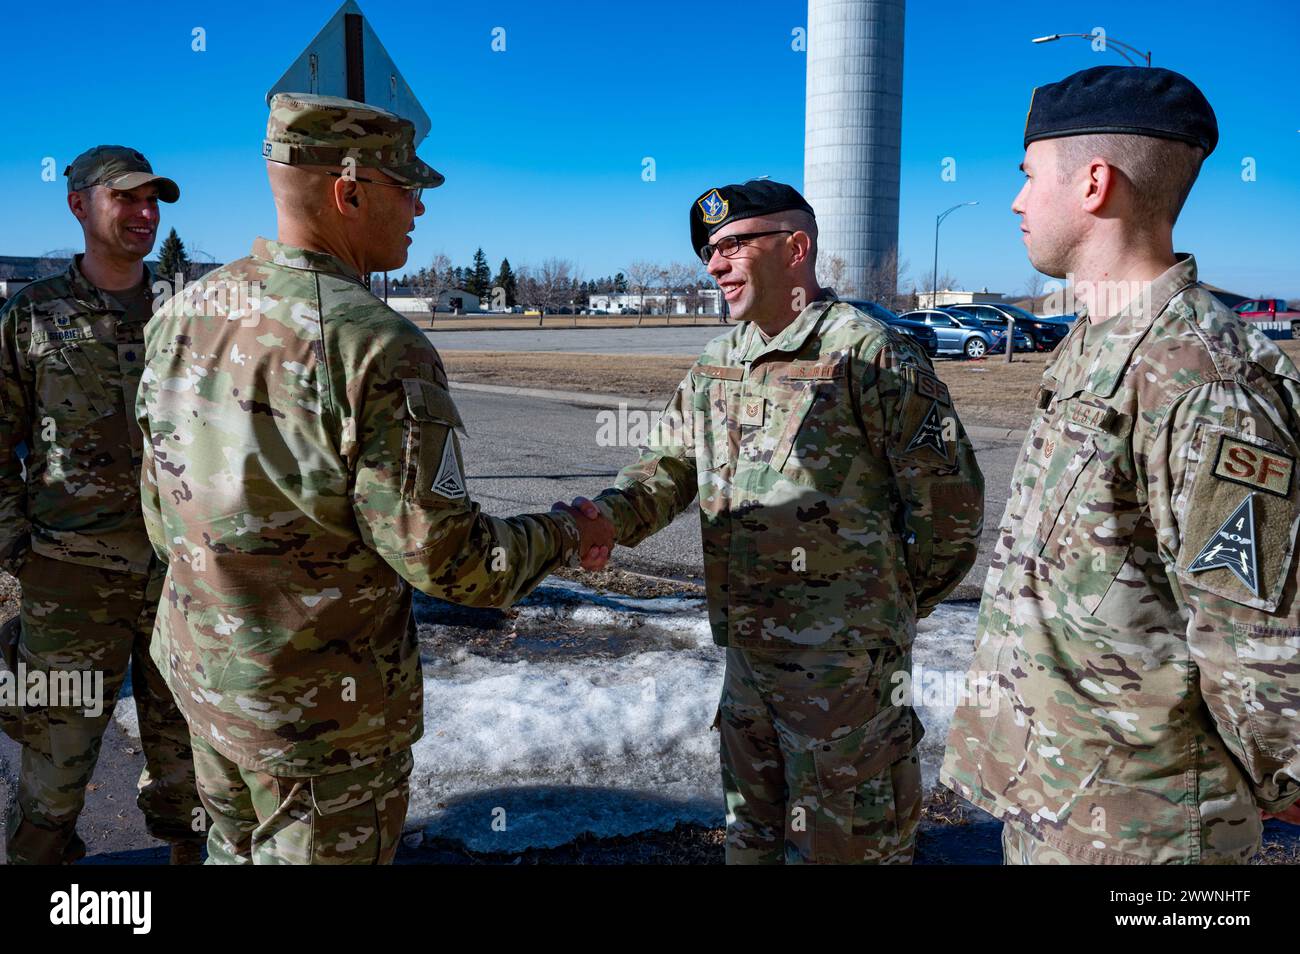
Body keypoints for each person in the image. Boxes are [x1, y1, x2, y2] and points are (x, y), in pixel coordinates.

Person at [137, 93, 612, 864]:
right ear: (347, 190)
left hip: (207, 682)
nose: (421, 206)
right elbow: (452, 562)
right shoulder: (373, 343)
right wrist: (571, 532)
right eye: (407, 186)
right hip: (320, 724)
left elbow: (162, 515)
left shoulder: (182, 312)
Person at [562, 179, 984, 863]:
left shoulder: (868, 354)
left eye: (731, 245)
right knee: (751, 842)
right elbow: (667, 471)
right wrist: (601, 521)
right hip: (748, 665)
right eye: (710, 251)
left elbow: (951, 510)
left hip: (843, 678)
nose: (714, 264)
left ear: (796, 247)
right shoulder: (718, 363)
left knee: (845, 849)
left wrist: (881, 612)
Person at [940, 65, 1300, 864]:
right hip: (1055, 800)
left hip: (1150, 834)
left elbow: (1259, 646)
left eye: (1030, 177)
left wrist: (1281, 783)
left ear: (1094, 183)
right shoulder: (1092, 344)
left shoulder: (1205, 379)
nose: (1016, 200)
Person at [0, 146, 204, 864]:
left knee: (192, 754)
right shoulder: (32, 314)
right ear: (79, 205)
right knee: (56, 759)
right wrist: (17, 548)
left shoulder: (189, 314)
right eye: (128, 199)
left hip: (180, 574)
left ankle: (189, 854)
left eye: (155, 202)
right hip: (70, 578)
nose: (146, 214)